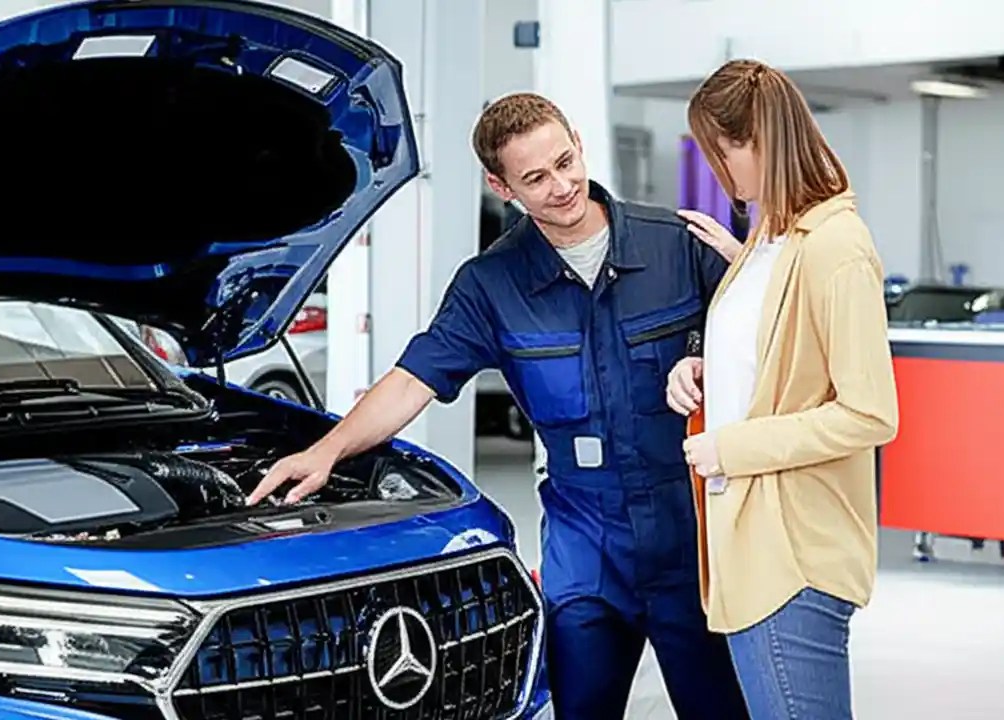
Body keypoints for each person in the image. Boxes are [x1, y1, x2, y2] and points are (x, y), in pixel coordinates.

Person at [247, 92, 750, 720]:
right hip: (585, 548)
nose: (562, 186)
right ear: (500, 184)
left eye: (565, 162)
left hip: (694, 538)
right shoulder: (492, 284)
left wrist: (719, 332)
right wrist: (323, 453)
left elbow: (765, 345)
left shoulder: (678, 244)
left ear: (577, 143)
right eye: (535, 178)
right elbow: (413, 379)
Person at [666, 59, 899, 719]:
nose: (715, 171)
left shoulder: (835, 247)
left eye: (720, 152)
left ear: (757, 143)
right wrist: (707, 370)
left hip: (794, 554)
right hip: (747, 542)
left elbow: (869, 413)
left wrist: (731, 447)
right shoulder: (768, 241)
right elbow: (777, 363)